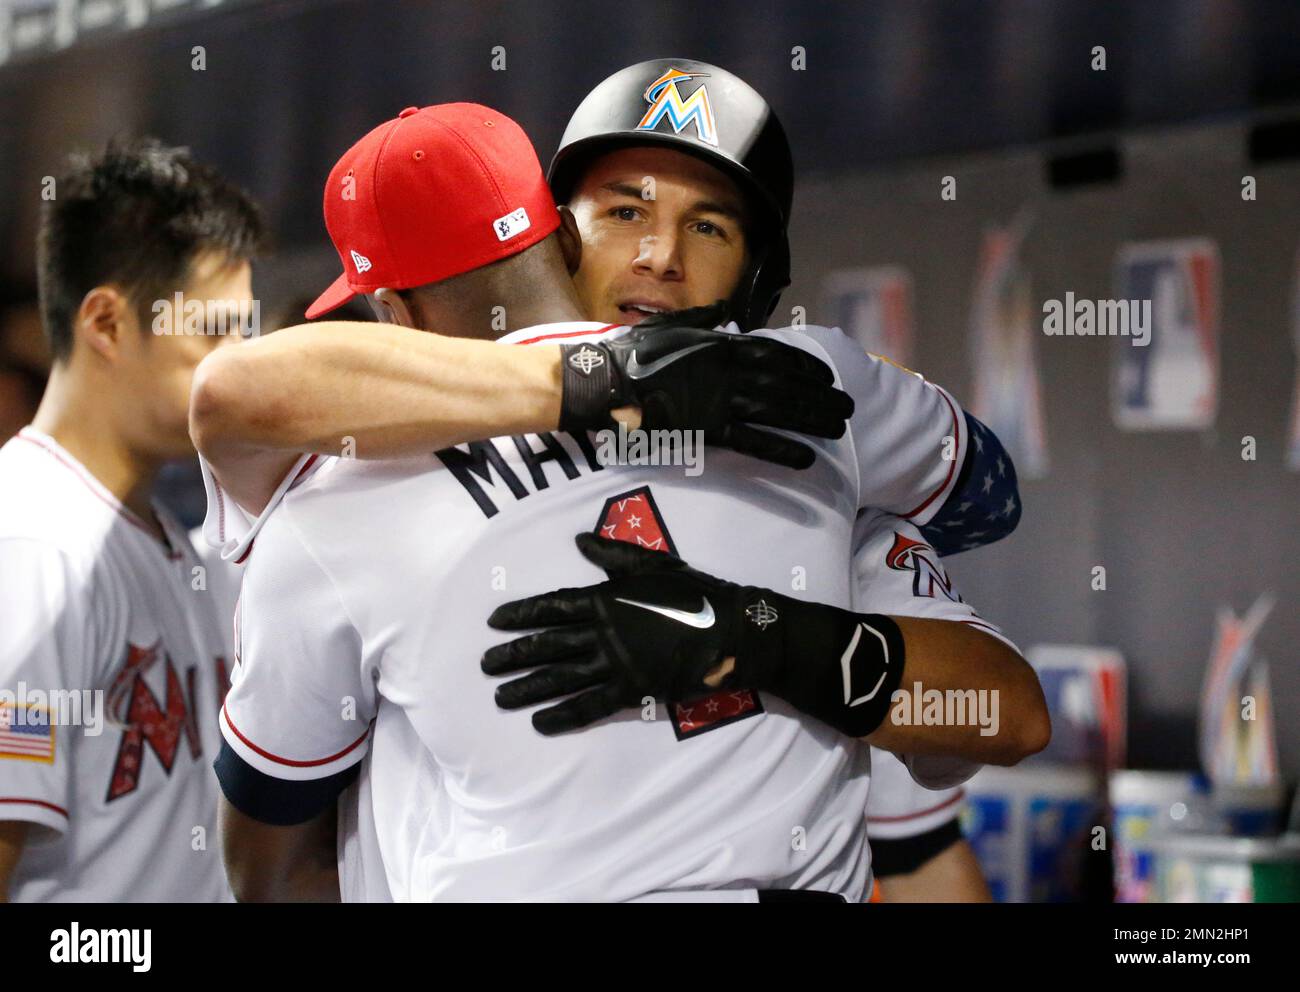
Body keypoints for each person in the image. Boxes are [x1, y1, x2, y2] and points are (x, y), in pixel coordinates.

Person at [199, 102, 1046, 902]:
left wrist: (767, 634)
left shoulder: (810, 393)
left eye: (707, 225)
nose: (658, 257)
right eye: (627, 214)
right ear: (560, 235)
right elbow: (234, 394)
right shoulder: (817, 389)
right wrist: (598, 379)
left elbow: (1009, 702)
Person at [0, 138, 264, 901]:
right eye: (213, 333)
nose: (240, 366)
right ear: (108, 325)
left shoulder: (186, 539)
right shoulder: (30, 543)